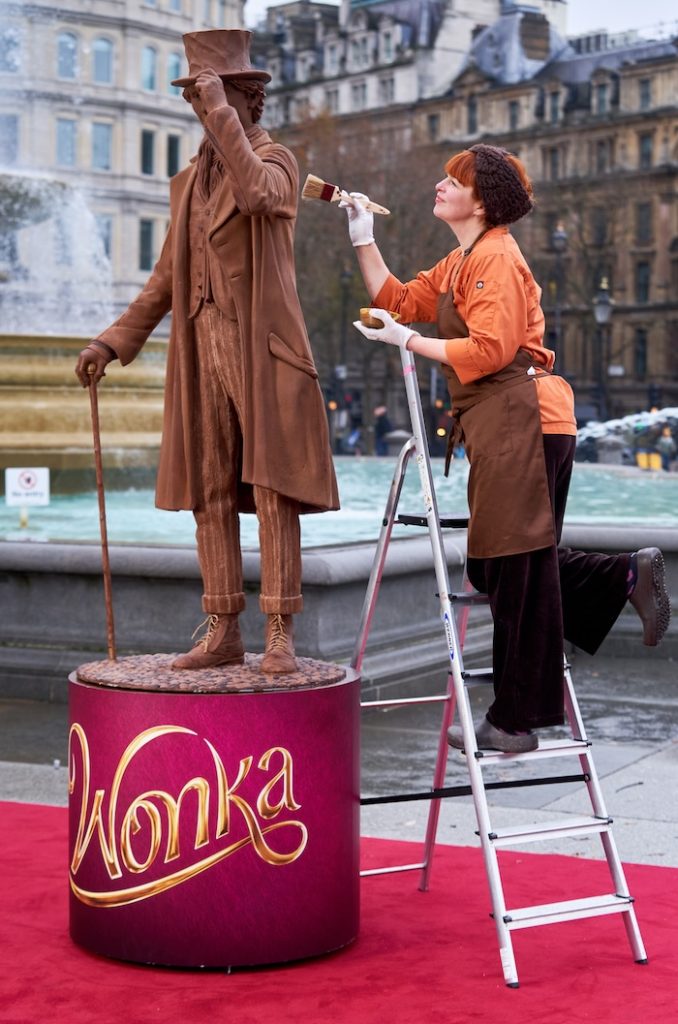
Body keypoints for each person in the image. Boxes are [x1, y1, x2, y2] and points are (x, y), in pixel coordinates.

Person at [343, 145, 671, 752]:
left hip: (527, 420)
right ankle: (621, 574)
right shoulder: (462, 258)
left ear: (482, 201)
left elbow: (491, 350)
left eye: (453, 180)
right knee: (493, 567)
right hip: (509, 422)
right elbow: (398, 299)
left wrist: (408, 344)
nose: (440, 186)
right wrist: (363, 235)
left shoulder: (494, 256)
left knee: (517, 570)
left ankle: (516, 721)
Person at [75, 30, 338, 674]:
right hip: (202, 348)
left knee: (272, 485)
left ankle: (279, 628)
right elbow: (166, 278)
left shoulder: (277, 161)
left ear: (249, 100)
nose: (200, 107)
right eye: (195, 97)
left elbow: (258, 198)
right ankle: (223, 627)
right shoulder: (188, 182)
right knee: (210, 488)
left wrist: (220, 114)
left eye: (211, 94)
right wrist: (114, 341)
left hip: (262, 349)